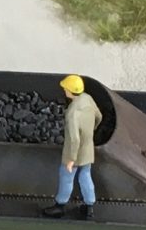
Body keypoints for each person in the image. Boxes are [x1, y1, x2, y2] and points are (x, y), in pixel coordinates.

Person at [40, 73, 101, 218]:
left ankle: (60, 205)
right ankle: (89, 206)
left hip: (74, 152)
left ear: (69, 90)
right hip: (87, 148)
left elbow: (74, 139)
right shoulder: (88, 99)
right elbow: (99, 116)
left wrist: (71, 159)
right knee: (85, 176)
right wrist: (91, 130)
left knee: (66, 178)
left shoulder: (72, 113)